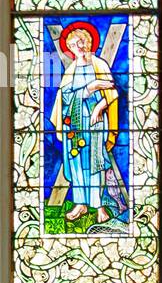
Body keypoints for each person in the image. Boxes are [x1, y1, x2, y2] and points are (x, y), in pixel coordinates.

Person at [51, 25, 124, 225]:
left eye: (81, 41)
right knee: (76, 164)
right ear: (70, 48)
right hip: (74, 124)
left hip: (95, 122)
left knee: (94, 163)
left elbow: (112, 92)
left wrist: (99, 107)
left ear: (88, 42)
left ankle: (99, 206)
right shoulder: (71, 70)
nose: (79, 46)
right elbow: (63, 97)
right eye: (73, 44)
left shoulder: (99, 65)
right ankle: (80, 204)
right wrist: (89, 88)